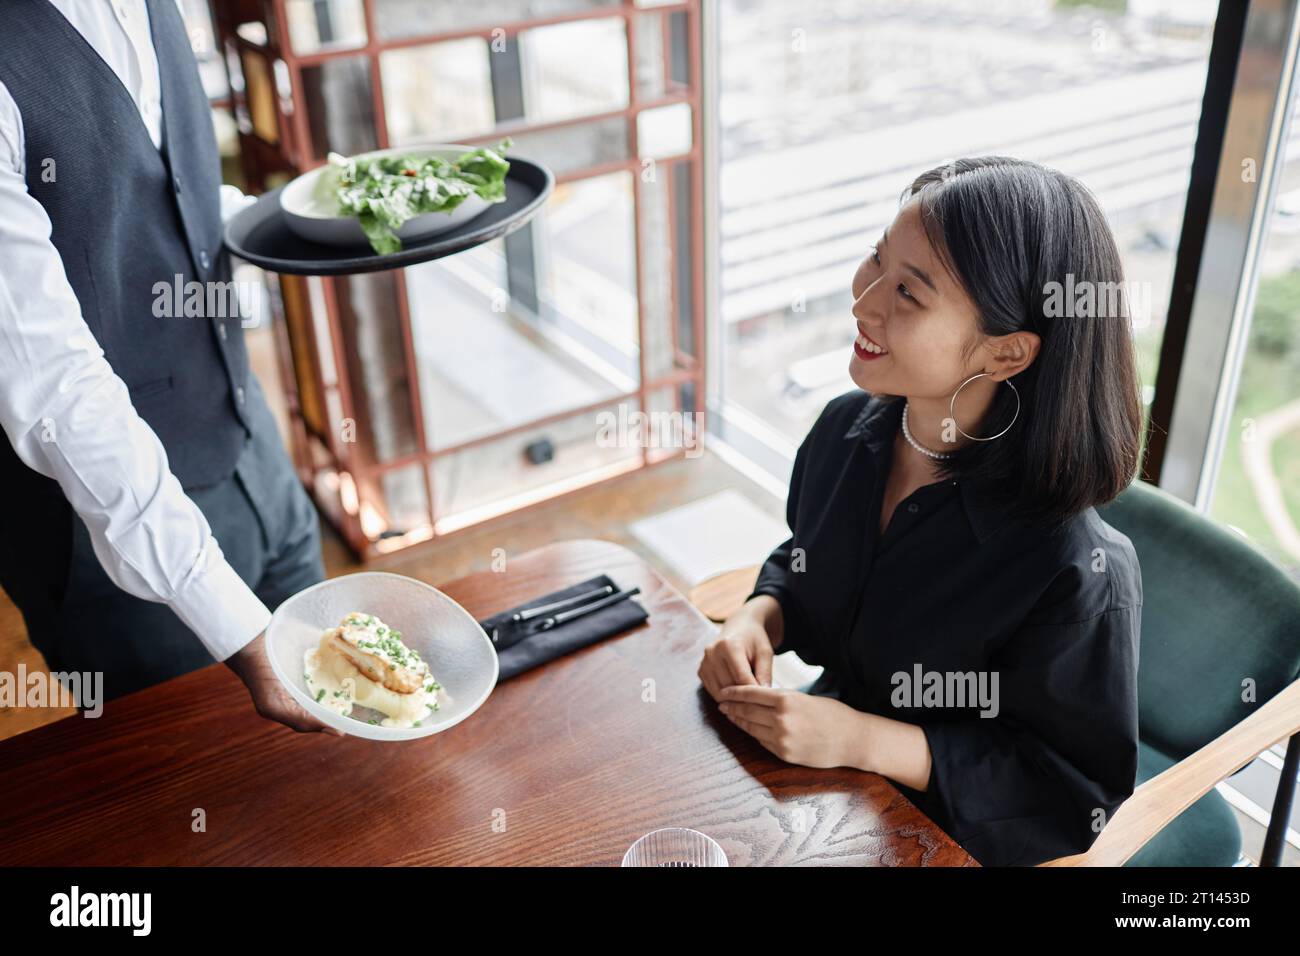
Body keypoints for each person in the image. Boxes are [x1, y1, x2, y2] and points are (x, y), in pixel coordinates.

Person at [698, 157, 1144, 867]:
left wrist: (863, 740)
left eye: (907, 292)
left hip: (943, 835)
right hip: (814, 787)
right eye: (876, 259)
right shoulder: (848, 432)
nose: (863, 302)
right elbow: (807, 559)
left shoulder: (1074, 569)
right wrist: (760, 616)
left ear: (1006, 353)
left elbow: (1069, 794)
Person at [0, 0, 333, 732]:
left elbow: (150, 197)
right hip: (110, 535)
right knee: (209, 809)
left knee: (336, 749)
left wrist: (323, 219)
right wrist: (225, 617)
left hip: (251, 447)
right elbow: (55, 382)